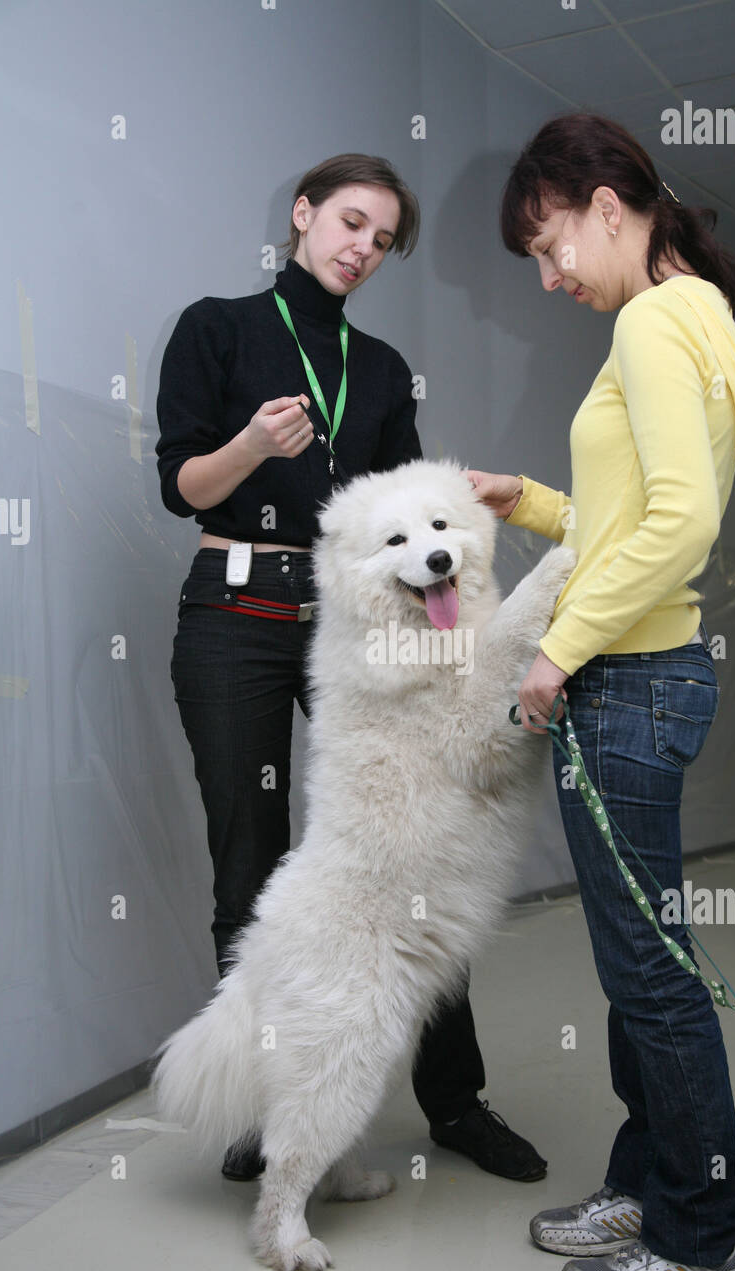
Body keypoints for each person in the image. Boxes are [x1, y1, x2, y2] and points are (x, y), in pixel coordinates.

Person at [154, 153, 546, 1186]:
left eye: (380, 240)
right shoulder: (218, 328)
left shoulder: (376, 368)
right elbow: (182, 484)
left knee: (417, 851)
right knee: (250, 857)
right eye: (350, 223)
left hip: (362, 621)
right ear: (302, 214)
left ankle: (454, 1102)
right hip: (236, 609)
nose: (362, 249)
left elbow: (409, 506)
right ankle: (269, 1110)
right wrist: (250, 443)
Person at [467, 112, 735, 1271]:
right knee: (640, 966)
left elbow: (678, 528)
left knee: (648, 975)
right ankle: (646, 1186)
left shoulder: (651, 318)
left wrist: (559, 653)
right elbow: (631, 515)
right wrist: (533, 499)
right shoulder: (696, 312)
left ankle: (707, 1247)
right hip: (647, 676)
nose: (550, 278)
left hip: (629, 682)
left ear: (606, 205)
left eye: (549, 247)